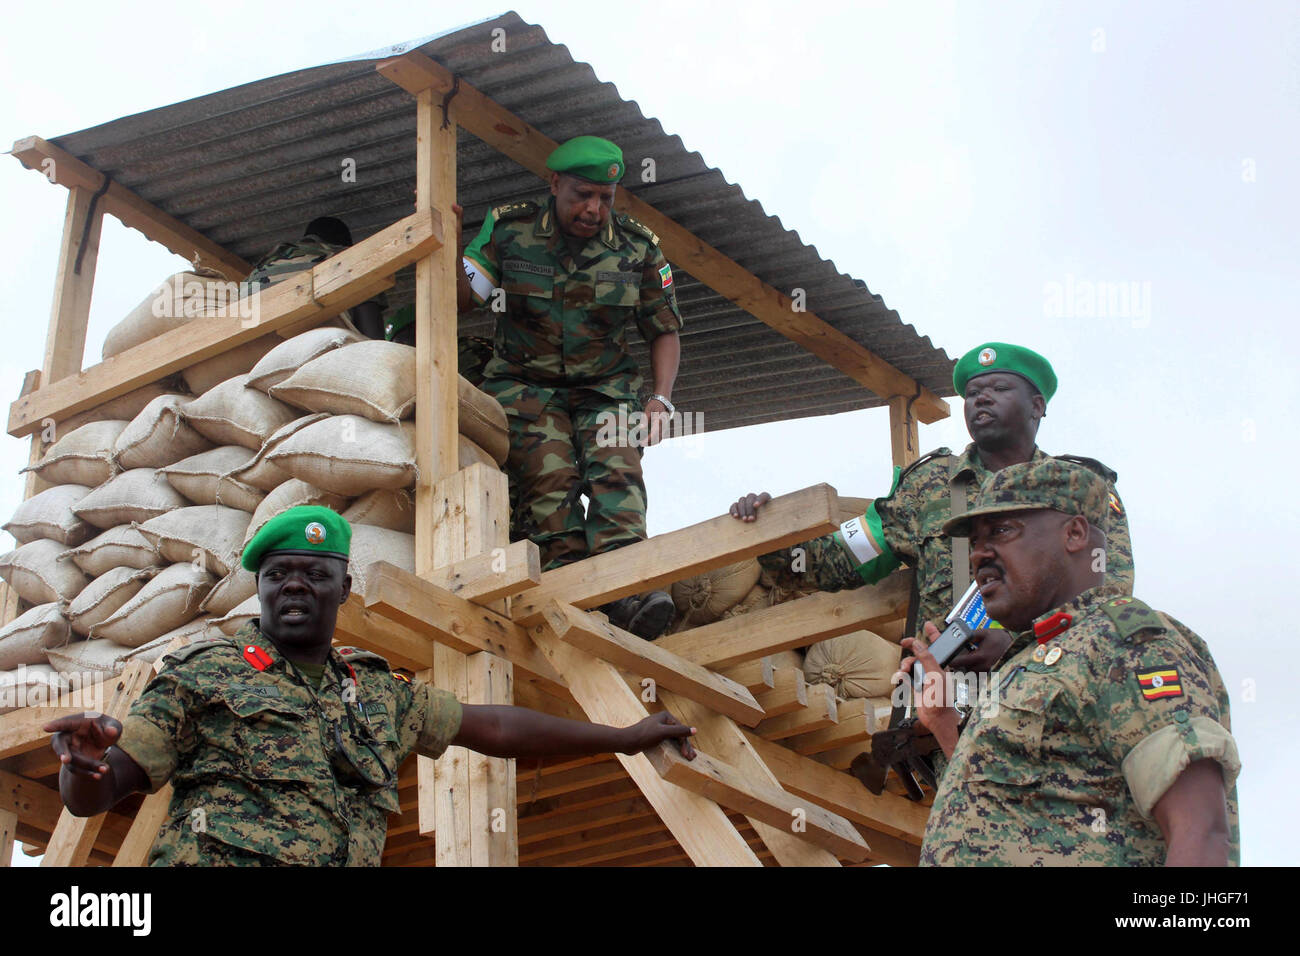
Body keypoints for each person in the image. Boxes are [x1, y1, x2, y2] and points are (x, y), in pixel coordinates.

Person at [44, 506, 696, 866]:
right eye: (279, 575)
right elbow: (102, 790)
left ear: (344, 589)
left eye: (312, 573)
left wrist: (624, 736)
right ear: (261, 589)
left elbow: (492, 726)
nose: (294, 585)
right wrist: (83, 764)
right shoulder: (201, 673)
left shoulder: (375, 690)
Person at [901, 458, 1239, 866]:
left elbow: (1201, 833)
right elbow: (1006, 814)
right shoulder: (1026, 664)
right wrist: (943, 721)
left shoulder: (1124, 641)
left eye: (1002, 532)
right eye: (974, 543)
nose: (978, 556)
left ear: (1075, 534)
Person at [729, 342, 1134, 652]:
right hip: (945, 695)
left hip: (1051, 684)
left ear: (1038, 406)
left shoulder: (1082, 489)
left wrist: (1016, 647)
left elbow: (1110, 594)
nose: (982, 398)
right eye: (973, 393)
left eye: (999, 387)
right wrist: (774, 532)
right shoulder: (927, 485)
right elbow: (845, 559)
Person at [456, 135, 684, 639]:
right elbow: (464, 300)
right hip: (525, 388)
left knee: (618, 475)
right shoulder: (510, 230)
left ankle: (628, 591)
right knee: (548, 486)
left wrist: (661, 397)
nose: (593, 208)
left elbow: (663, 328)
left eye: (605, 198)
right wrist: (449, 242)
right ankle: (571, 597)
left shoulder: (636, 247)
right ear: (554, 184)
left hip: (606, 389)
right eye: (582, 194)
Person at [245, 216, 387, 340]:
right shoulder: (349, 259)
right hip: (329, 341)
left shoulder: (257, 272)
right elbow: (373, 338)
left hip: (257, 350)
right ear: (342, 245)